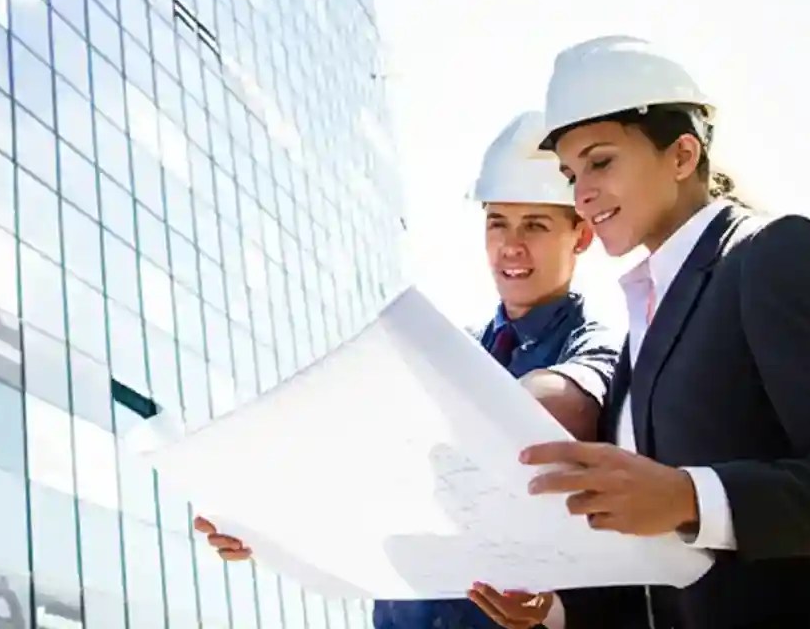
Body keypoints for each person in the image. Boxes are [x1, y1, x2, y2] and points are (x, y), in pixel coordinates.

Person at [472, 35, 810, 629]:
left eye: (601, 161)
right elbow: (659, 562)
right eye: (571, 174)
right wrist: (556, 609)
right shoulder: (641, 326)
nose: (582, 192)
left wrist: (691, 497)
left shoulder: (770, 253)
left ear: (682, 155)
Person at [195, 110, 624, 629]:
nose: (511, 246)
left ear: (580, 236)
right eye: (497, 223)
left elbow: (555, 405)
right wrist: (266, 529)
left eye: (535, 225)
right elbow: (362, 483)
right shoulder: (446, 352)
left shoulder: (597, 345)